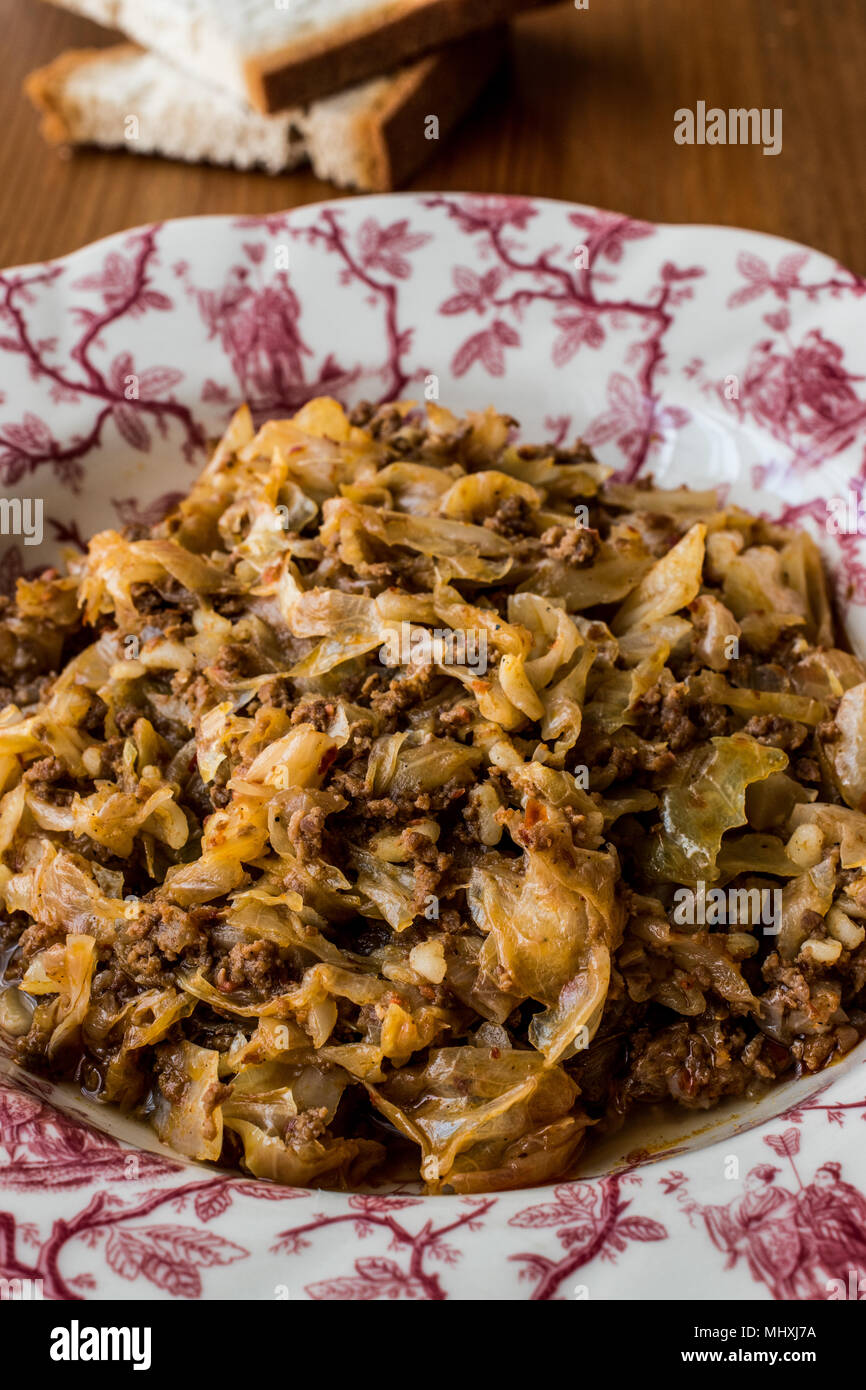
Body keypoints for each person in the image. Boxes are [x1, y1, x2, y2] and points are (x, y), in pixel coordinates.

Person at [688, 1164, 824, 1300]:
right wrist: (705, 1211)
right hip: (759, 1246)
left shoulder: (781, 1194)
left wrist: (802, 1201)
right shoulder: (741, 1202)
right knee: (774, 1280)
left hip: (787, 1239)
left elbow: (792, 1210)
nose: (747, 1184)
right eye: (747, 1180)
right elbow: (725, 1215)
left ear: (765, 1182)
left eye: (752, 1181)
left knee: (800, 1274)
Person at [796, 1162, 866, 1296]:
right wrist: (800, 1202)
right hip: (820, 1241)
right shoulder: (807, 1196)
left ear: (834, 1179)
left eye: (824, 1177)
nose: (818, 1179)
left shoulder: (844, 1192)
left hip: (843, 1236)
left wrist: (842, 1197)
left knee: (854, 1269)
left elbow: (859, 1211)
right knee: (837, 1276)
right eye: (817, 1176)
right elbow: (801, 1220)